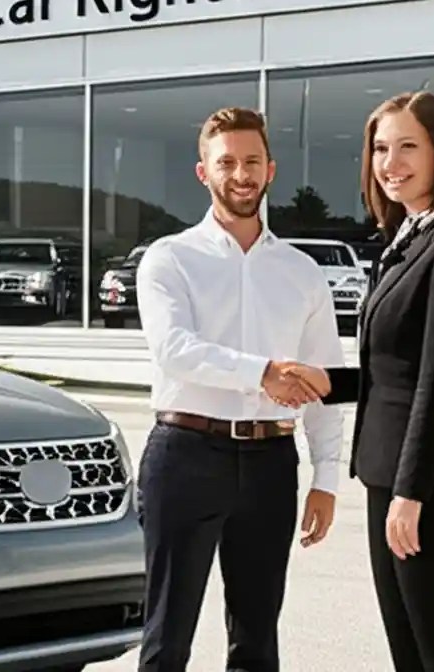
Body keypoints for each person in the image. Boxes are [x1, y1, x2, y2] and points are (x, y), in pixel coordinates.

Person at [133, 106, 342, 672]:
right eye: (226, 162)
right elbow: (173, 349)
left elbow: (326, 377)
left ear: (270, 170)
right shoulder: (169, 258)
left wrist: (326, 478)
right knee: (166, 638)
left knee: (257, 640)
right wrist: (262, 373)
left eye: (252, 161)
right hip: (185, 457)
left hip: (272, 462)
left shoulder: (301, 271)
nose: (241, 174)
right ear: (204, 172)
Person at [290, 90, 434, 672]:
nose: (391, 162)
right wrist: (325, 380)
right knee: (409, 655)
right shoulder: (404, 240)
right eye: (381, 147)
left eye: (408, 146)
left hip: (428, 484)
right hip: (389, 475)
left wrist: (412, 494)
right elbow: (393, 371)